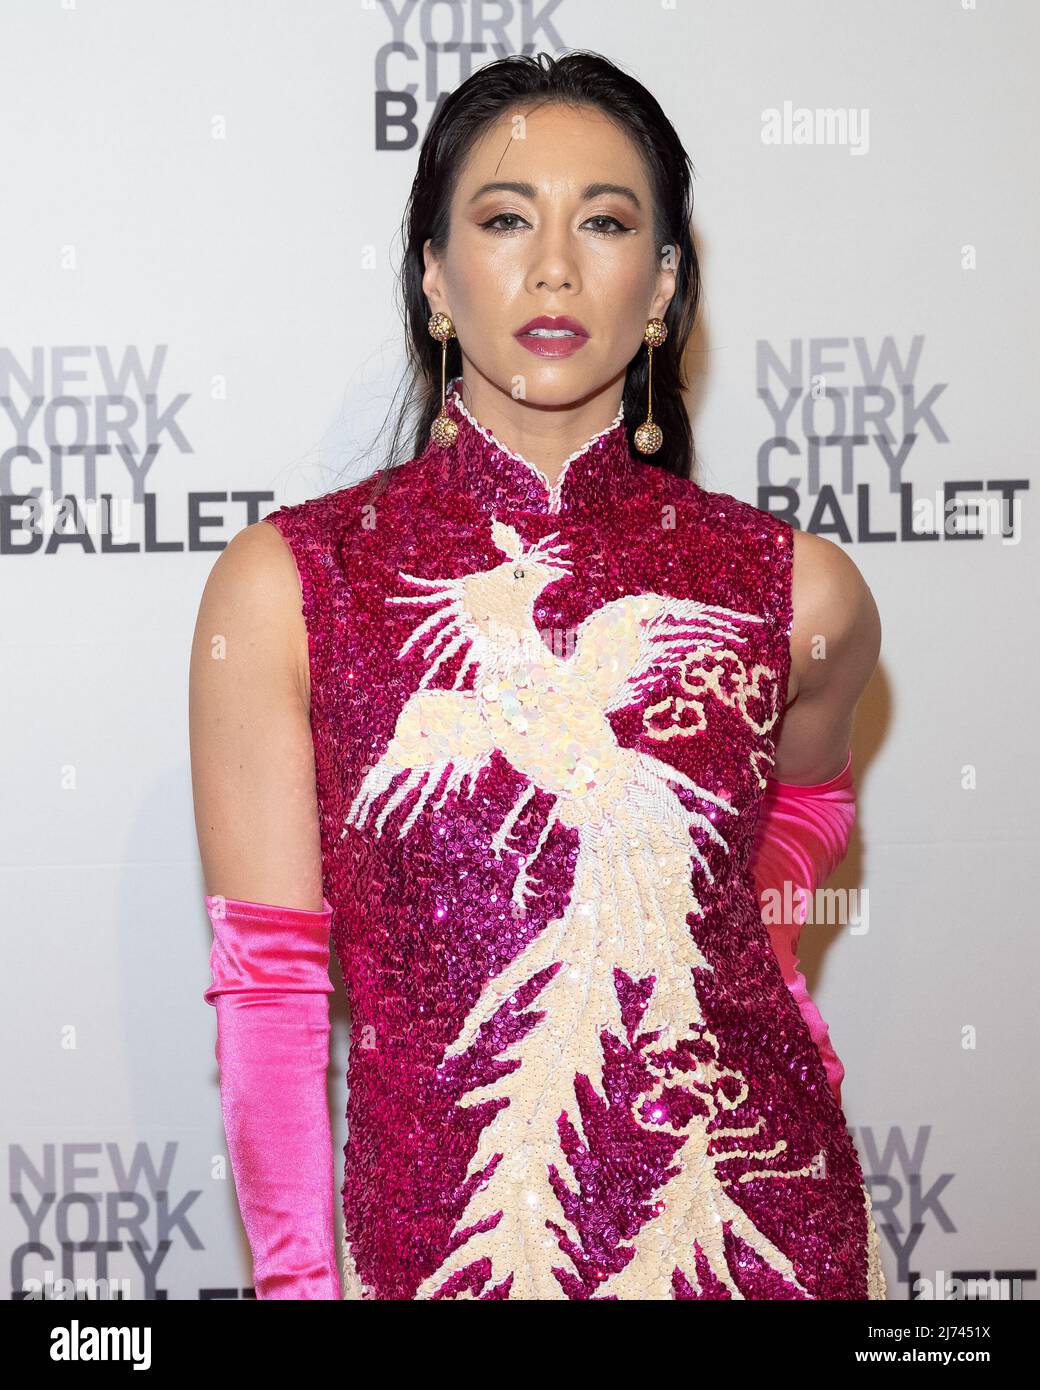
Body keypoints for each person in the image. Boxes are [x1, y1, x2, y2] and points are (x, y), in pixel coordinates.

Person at [190, 50, 886, 1301]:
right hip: (450, 1247)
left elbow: (809, 808)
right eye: (505, 219)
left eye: (605, 222)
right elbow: (274, 995)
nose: (554, 266)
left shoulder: (798, 590)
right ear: (433, 278)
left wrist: (751, 942)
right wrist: (296, 1289)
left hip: (758, 1217)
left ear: (663, 285)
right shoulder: (291, 586)